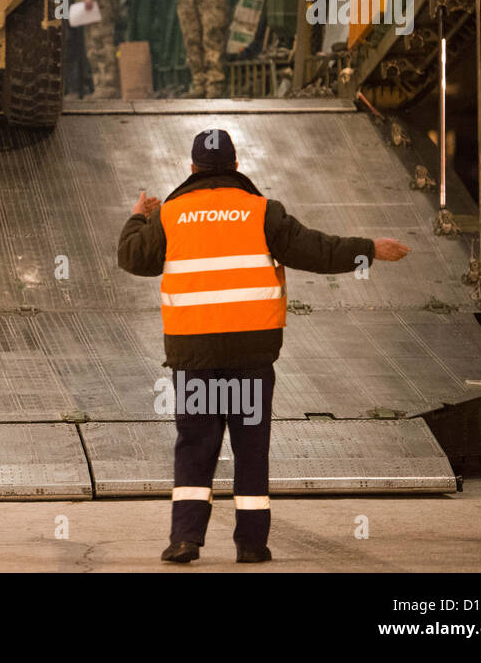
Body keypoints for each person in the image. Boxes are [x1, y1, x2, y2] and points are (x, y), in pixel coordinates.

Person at [117, 128, 411, 564]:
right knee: (250, 447)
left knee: (195, 445)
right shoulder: (261, 212)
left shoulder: (172, 214)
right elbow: (316, 250)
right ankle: (251, 544)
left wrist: (139, 215)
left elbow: (132, 259)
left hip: (195, 357)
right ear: (236, 167)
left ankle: (185, 539)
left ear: (192, 168)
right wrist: (369, 249)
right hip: (250, 358)